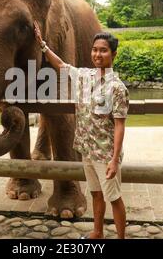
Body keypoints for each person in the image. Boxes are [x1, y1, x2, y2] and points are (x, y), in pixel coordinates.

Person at [33, 21, 129, 239]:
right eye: (95, 50)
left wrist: (114, 159)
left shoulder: (117, 88)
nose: (97, 54)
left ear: (113, 54)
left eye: (103, 50)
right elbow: (61, 66)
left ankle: (121, 237)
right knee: (96, 194)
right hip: (86, 149)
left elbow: (120, 125)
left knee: (114, 197)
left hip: (105, 155)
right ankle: (97, 232)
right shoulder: (85, 76)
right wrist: (43, 45)